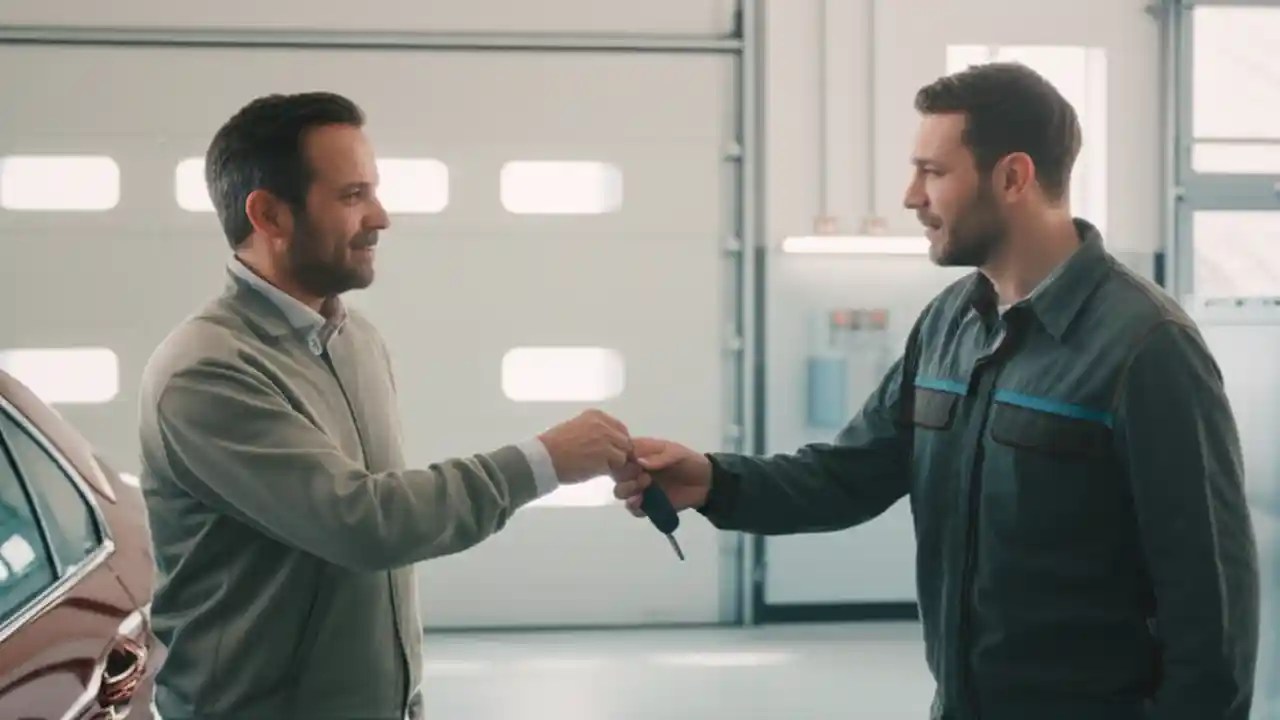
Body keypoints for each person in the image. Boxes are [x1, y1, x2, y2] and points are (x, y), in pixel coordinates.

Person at [615, 63, 1259, 720]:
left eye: (933, 171)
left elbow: (1212, 609)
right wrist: (714, 481)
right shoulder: (950, 322)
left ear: (1013, 177)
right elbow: (850, 475)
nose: (910, 196)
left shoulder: (1146, 348)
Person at [137, 91, 636, 719]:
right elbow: (367, 524)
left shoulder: (355, 340)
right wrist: (543, 462)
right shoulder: (208, 371)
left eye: (372, 191)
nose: (380, 217)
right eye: (352, 196)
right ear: (269, 215)